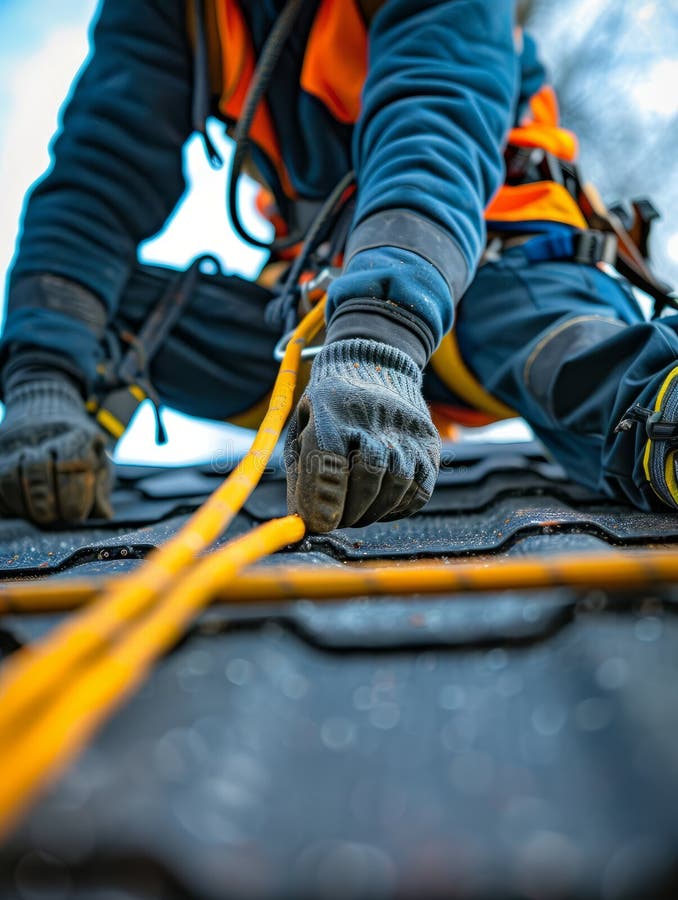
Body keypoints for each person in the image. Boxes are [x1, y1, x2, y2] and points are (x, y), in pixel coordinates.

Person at [0, 0, 675, 533]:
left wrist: (378, 337)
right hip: (323, 316)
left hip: (507, 265)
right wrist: (40, 378)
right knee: (83, 315)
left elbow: (433, 122)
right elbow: (96, 182)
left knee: (596, 374)